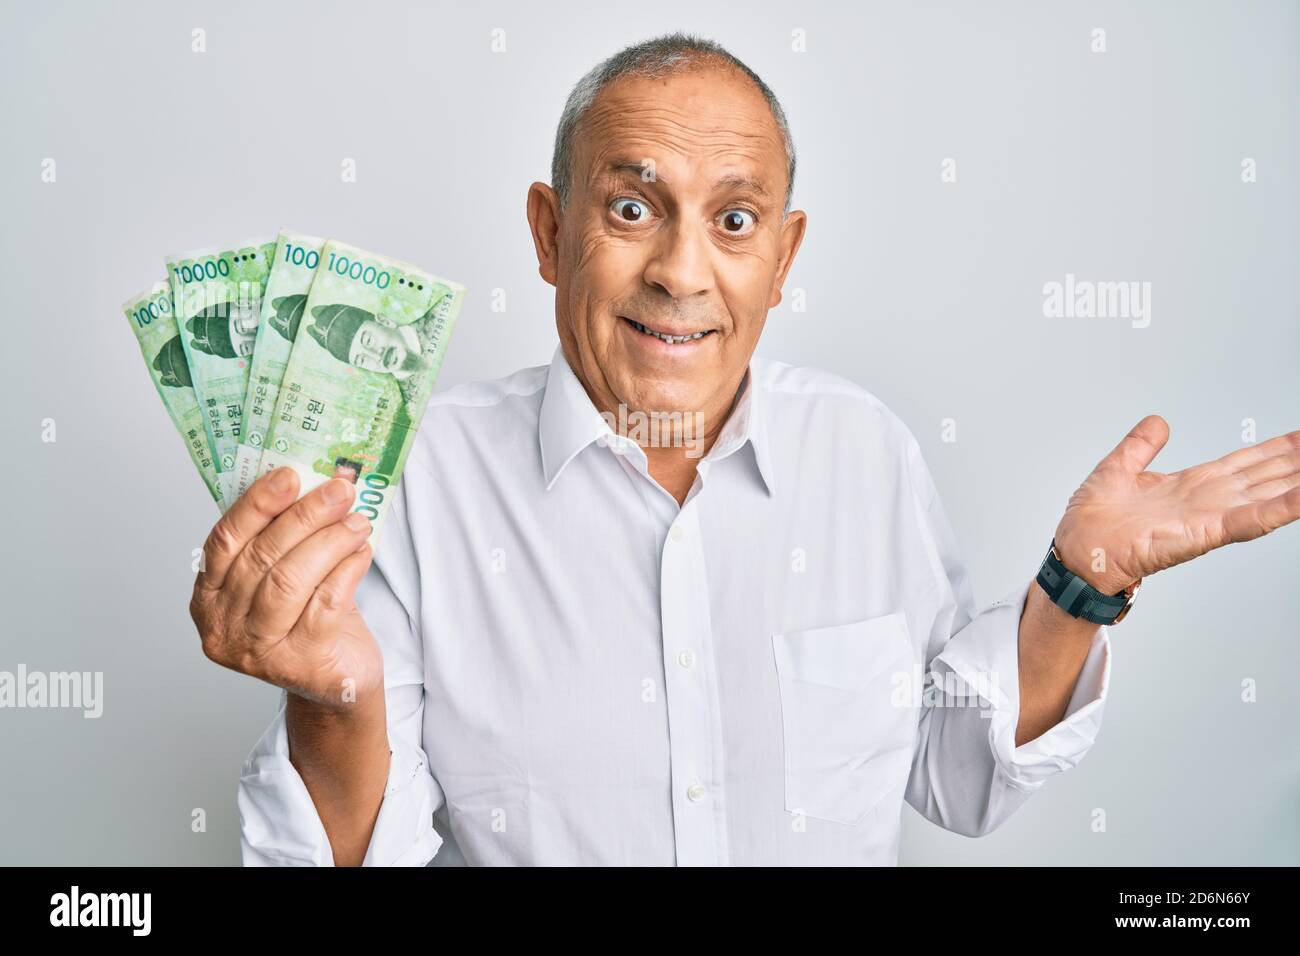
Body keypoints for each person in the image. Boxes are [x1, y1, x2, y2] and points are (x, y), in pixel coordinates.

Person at [190, 33, 1300, 866]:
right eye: (631, 208)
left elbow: (951, 773)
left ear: (782, 253)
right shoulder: (416, 480)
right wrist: (333, 701)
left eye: (733, 221)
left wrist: (1078, 583)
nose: (681, 271)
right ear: (548, 230)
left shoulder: (864, 449)